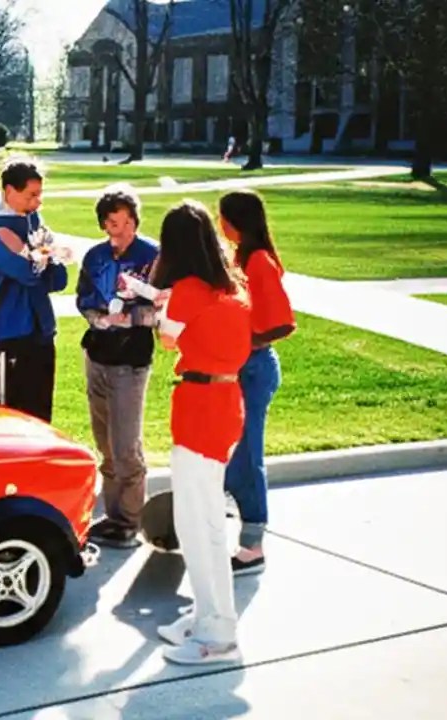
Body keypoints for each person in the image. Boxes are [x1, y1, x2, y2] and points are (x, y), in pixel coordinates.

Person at [148, 199, 252, 665]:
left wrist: (158, 302)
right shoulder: (230, 288)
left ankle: (218, 632)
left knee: (199, 524)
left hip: (201, 408)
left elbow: (166, 336)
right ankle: (208, 617)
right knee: (203, 520)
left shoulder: (189, 289)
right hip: (224, 403)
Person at [76, 184, 160, 548]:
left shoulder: (154, 256)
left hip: (131, 360)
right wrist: (97, 319)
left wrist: (133, 318)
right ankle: (113, 517)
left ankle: (129, 521)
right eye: (113, 223)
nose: (120, 230)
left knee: (126, 445)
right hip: (97, 354)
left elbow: (166, 309)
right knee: (104, 442)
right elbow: (84, 298)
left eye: (127, 222)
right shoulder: (95, 257)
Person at [218, 189, 296, 576]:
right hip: (241, 367)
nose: (220, 224)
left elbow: (281, 322)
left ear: (234, 221)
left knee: (248, 459)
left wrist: (245, 339)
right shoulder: (241, 257)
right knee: (234, 455)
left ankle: (252, 547)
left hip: (255, 369)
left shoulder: (259, 261)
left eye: (222, 217)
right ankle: (217, 514)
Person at [0, 157, 71, 423]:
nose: (37, 202)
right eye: (31, 195)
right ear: (9, 192)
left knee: (41, 418)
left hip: (42, 333)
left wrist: (41, 254)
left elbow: (58, 279)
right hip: (11, 334)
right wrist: (44, 253)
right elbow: (27, 273)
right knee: (12, 419)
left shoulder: (32, 224)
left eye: (40, 195)